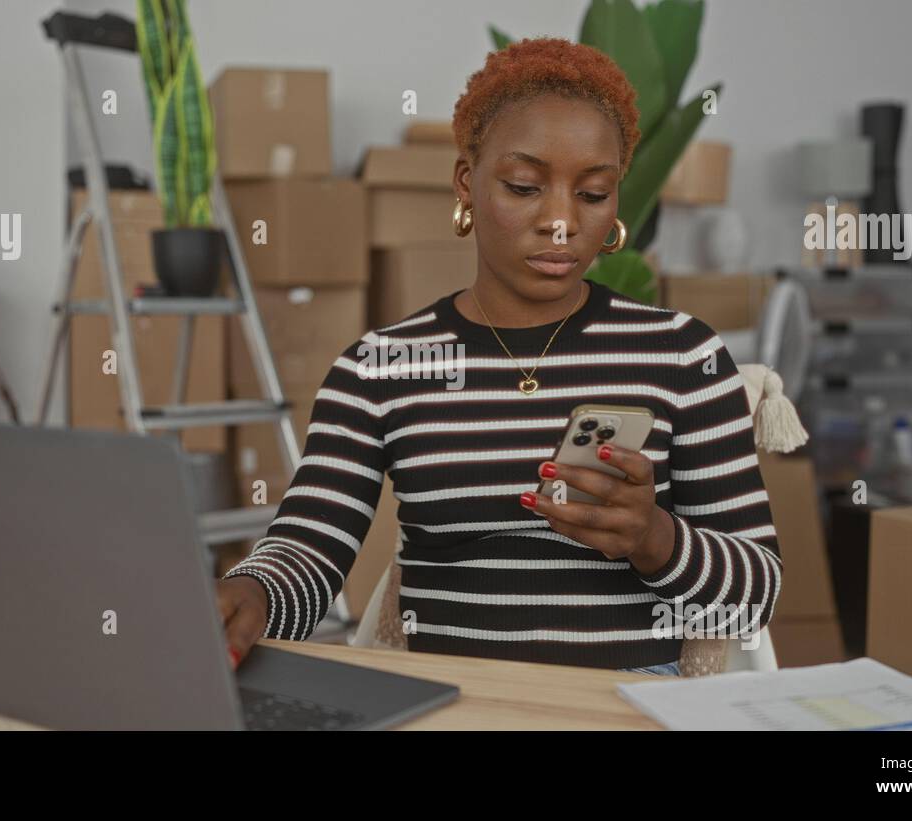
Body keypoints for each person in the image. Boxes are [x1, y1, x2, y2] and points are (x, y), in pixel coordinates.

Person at [217, 37, 781, 677]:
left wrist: (656, 540)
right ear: (467, 182)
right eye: (524, 186)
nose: (562, 223)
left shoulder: (684, 355)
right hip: (452, 705)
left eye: (593, 194)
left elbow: (754, 596)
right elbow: (309, 550)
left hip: (628, 705)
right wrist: (255, 596)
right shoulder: (380, 369)